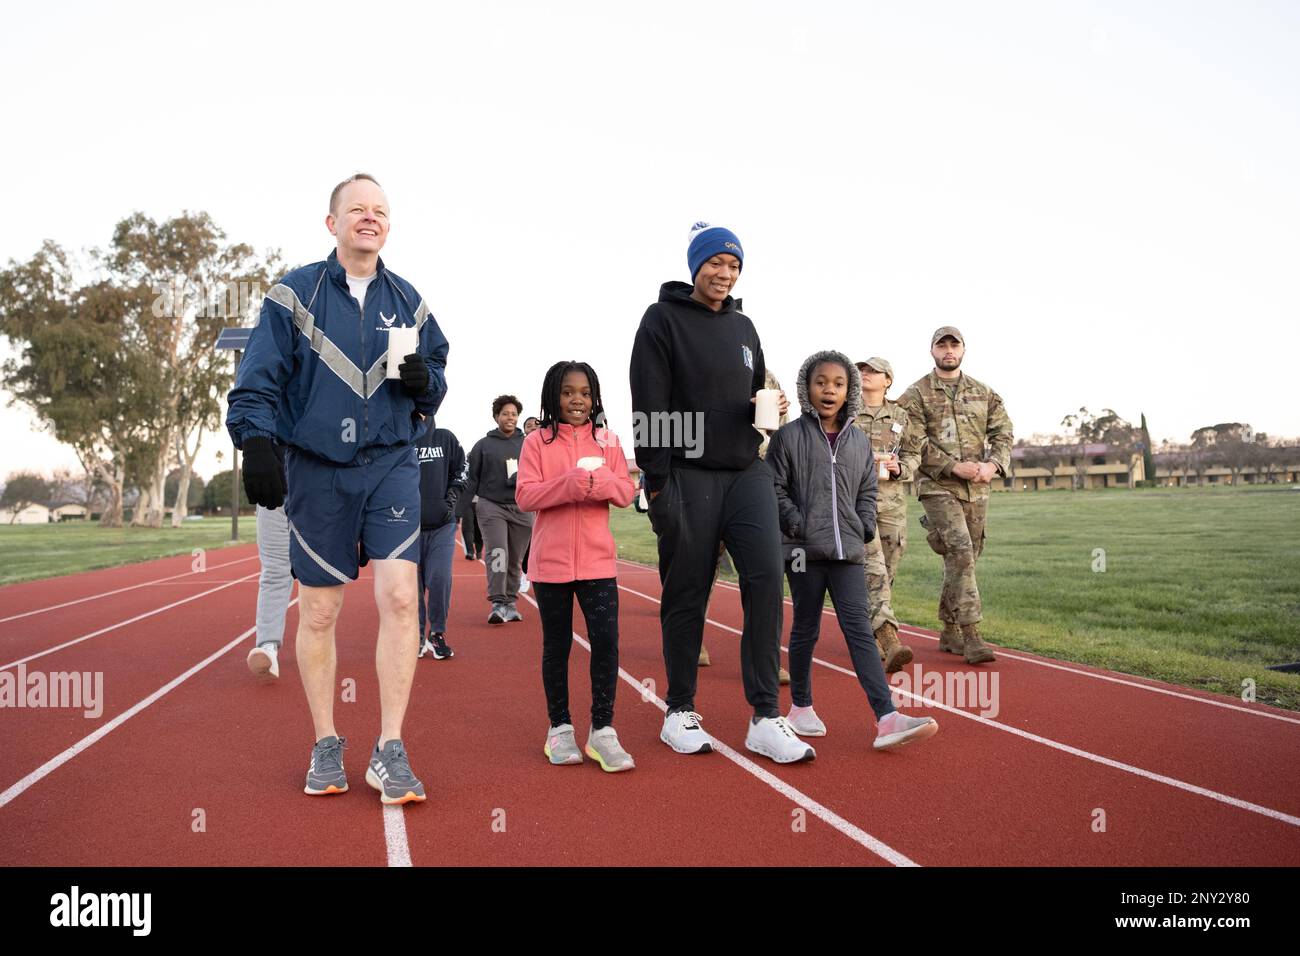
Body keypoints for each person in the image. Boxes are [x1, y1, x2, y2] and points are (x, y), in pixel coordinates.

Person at [226, 172, 448, 804]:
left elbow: (436, 378)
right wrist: (257, 442)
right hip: (318, 468)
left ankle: (390, 749)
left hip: (390, 463)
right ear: (333, 223)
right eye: (357, 210)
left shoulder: (409, 301)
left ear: (388, 224)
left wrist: (420, 379)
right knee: (320, 609)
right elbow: (257, 381)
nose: (369, 218)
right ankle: (327, 741)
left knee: (402, 598)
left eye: (379, 210)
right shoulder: (292, 294)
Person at [630, 221, 811, 764]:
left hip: (745, 472)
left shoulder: (745, 327)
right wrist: (658, 482)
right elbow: (649, 403)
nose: (725, 273)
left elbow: (756, 394)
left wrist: (772, 407)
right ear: (695, 266)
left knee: (765, 577)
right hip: (687, 476)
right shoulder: (661, 320)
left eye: (734, 266)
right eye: (716, 263)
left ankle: (765, 717)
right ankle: (679, 710)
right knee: (687, 590)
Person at [766, 351, 939, 749]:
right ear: (807, 387)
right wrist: (797, 523)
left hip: (847, 551)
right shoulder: (789, 436)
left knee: (859, 629)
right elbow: (773, 487)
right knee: (805, 628)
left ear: (850, 391)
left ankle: (887, 717)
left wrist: (862, 524)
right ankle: (801, 707)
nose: (829, 390)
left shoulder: (858, 439)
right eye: (821, 382)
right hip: (804, 552)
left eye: (839, 384)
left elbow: (867, 489)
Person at [516, 361, 637, 772]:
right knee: (558, 646)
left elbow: (625, 491)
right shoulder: (536, 443)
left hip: (598, 563)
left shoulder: (608, 440)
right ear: (554, 395)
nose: (577, 400)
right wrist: (568, 484)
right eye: (568, 392)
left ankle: (602, 731)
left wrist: (599, 482)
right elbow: (526, 496)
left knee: (606, 643)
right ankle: (560, 728)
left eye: (585, 392)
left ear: (595, 397)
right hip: (549, 565)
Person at [898, 327, 1013, 664]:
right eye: (941, 344)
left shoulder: (984, 392)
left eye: (954, 344)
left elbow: (1003, 432)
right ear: (932, 350)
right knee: (960, 548)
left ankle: (948, 629)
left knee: (966, 555)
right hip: (937, 486)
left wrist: (993, 465)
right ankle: (971, 633)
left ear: (963, 349)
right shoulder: (915, 394)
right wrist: (952, 467)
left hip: (977, 486)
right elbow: (912, 441)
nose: (948, 350)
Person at [698, 366, 791, 686]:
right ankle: (692, 640)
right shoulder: (693, 363)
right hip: (705, 481)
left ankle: (765, 659)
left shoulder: (765, 377)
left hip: (755, 481)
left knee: (765, 574)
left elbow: (781, 434)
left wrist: (779, 411)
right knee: (699, 570)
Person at [853, 357, 920, 673]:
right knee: (874, 567)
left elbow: (913, 454)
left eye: (872, 371)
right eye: (862, 370)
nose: (864, 374)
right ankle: (889, 637)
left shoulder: (902, 416)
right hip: (856, 503)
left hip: (892, 504)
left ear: (888, 380)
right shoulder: (846, 410)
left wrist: (900, 469)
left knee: (888, 568)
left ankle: (871, 627)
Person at [465, 395, 533, 624]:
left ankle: (511, 603)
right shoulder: (483, 445)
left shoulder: (528, 443)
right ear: (496, 416)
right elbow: (471, 479)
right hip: (491, 506)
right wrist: (460, 509)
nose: (510, 417)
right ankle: (497, 603)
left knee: (515, 558)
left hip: (522, 507)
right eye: (505, 413)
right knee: (498, 554)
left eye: (514, 414)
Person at [414, 418, 467, 660]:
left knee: (439, 578)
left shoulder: (445, 437)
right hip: (405, 527)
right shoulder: (399, 437)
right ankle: (414, 635)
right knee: (410, 588)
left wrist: (452, 498)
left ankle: (437, 633)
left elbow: (461, 469)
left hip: (442, 525)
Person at [247, 459, 293, 679]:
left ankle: (320, 645)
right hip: (274, 489)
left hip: (318, 488)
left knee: (321, 576)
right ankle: (268, 647)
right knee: (275, 570)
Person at [459, 492, 483, 561]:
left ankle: (472, 552)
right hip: (478, 500)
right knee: (477, 528)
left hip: (470, 500)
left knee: (469, 527)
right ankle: (476, 552)